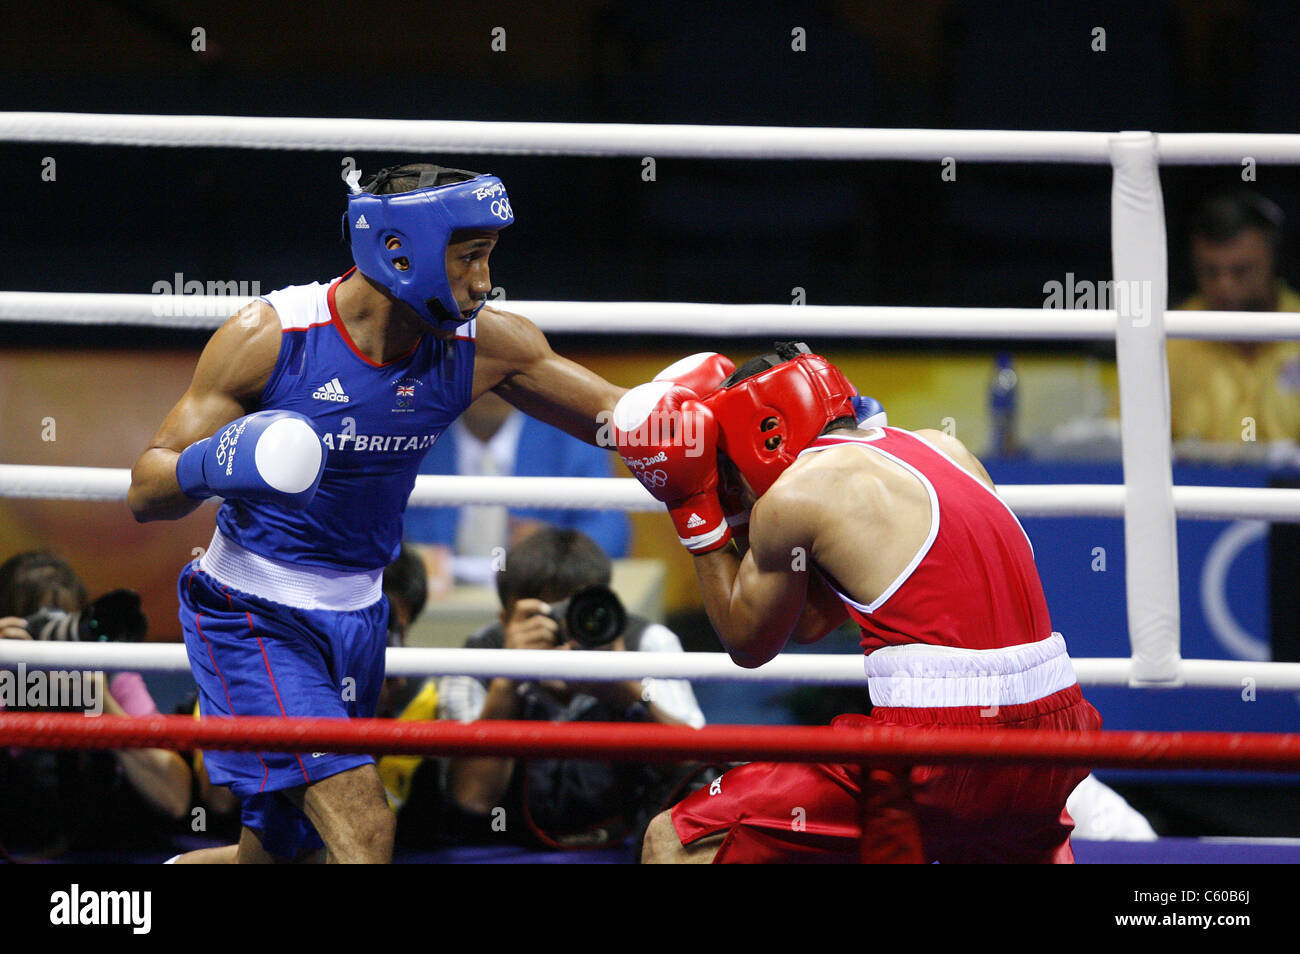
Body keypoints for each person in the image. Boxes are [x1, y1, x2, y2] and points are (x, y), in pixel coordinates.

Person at [127, 163, 626, 864]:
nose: (484, 283)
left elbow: (622, 419)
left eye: (489, 257)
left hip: (362, 616)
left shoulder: (483, 344)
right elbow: (146, 491)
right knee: (363, 824)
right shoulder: (272, 336)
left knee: (278, 855)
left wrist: (721, 425)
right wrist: (218, 462)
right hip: (252, 613)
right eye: (469, 257)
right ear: (399, 251)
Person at [612, 342, 1103, 863]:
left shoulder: (796, 496)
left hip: (936, 749)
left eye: (730, 468)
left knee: (677, 841)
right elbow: (811, 622)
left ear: (767, 434)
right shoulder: (944, 448)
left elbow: (748, 642)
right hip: (1058, 739)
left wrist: (692, 503)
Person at [430, 527, 704, 851]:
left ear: (604, 603)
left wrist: (629, 693)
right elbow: (473, 798)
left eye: (578, 612)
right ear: (506, 620)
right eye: (547, 615)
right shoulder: (480, 655)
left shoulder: (646, 643)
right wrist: (507, 683)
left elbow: (693, 774)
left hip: (625, 846)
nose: (565, 628)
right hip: (505, 849)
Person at [0, 551, 192, 857]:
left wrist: (103, 706)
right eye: (37, 625)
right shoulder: (3, 674)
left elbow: (176, 798)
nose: (51, 641)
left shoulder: (108, 677)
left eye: (62, 623)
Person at [404, 390, 630, 592]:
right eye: (478, 366)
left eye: (499, 373)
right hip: (436, 607)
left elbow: (612, 535)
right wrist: (413, 560)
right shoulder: (411, 437)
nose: (490, 386)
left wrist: (553, 546)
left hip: (537, 595)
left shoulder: (571, 436)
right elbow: (376, 529)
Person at [1169, 190, 1300, 456]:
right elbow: (1121, 442)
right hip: (1193, 495)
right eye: (1211, 271)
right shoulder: (1169, 335)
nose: (1224, 286)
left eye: (1240, 271)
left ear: (1274, 261)